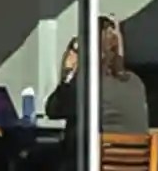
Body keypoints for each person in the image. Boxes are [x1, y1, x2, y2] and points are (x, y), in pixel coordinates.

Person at [45, 16, 149, 166]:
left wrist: (67, 73)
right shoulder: (136, 82)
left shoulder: (89, 84)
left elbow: (53, 110)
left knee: (30, 158)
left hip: (95, 164)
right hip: (135, 166)